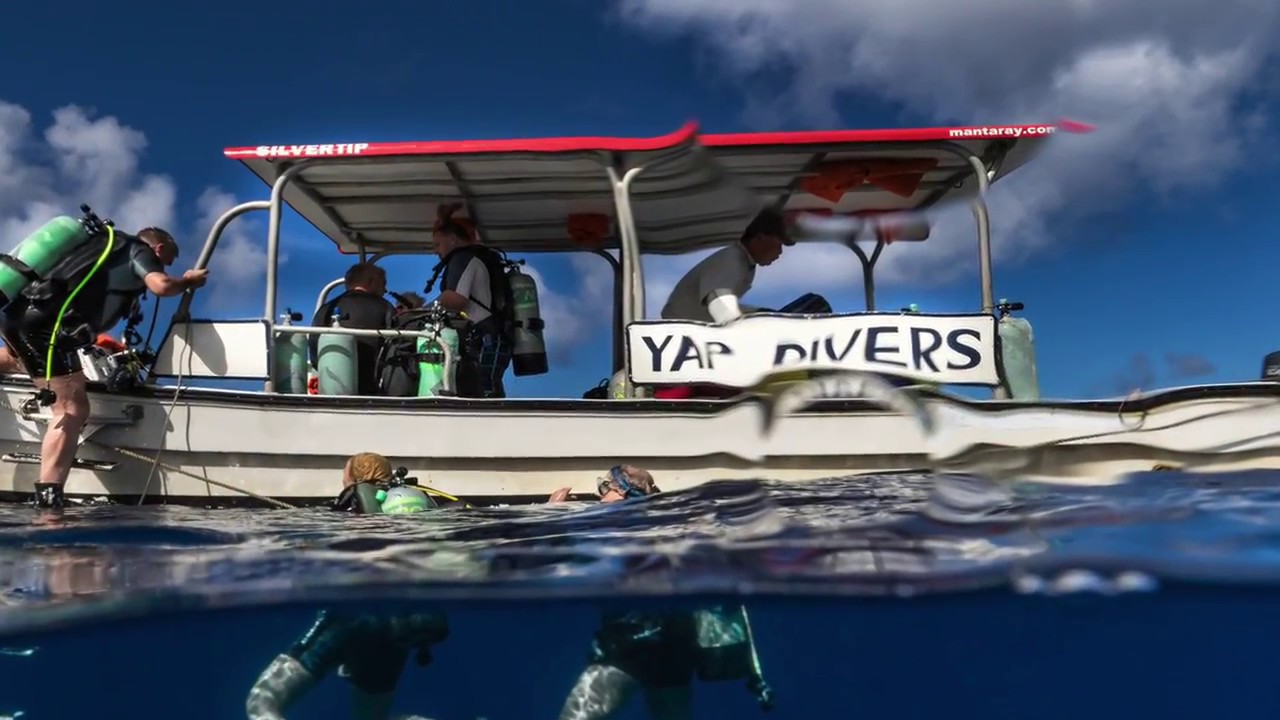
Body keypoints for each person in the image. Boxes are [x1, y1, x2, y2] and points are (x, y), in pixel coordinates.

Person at [0, 226, 207, 509]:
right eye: (167, 259)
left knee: (16, 360)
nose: (165, 265)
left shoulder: (105, 248)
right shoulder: (139, 251)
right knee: (71, 408)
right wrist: (186, 281)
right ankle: (49, 496)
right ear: (159, 248)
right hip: (47, 331)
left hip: (19, 318)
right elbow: (161, 285)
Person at [553, 467, 775, 720]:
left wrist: (549, 514)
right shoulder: (670, 530)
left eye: (605, 487)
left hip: (626, 649)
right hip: (672, 654)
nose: (599, 494)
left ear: (622, 491)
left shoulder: (608, 527)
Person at [425, 203, 513, 398]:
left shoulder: (462, 258)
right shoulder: (476, 257)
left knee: (482, 393)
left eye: (437, 244)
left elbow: (455, 299)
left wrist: (422, 312)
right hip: (493, 336)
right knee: (484, 391)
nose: (435, 251)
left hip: (484, 337)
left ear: (453, 240)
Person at [660, 207, 793, 325]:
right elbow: (720, 302)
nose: (780, 252)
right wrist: (740, 329)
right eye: (778, 244)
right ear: (759, 238)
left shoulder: (744, 262)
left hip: (694, 329)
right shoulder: (732, 259)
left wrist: (761, 313)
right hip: (681, 333)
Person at [311, 262, 396, 396]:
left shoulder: (325, 309)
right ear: (371, 281)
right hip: (371, 386)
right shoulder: (385, 307)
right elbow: (395, 347)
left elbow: (314, 350)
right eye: (383, 284)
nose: (385, 291)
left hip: (330, 385)